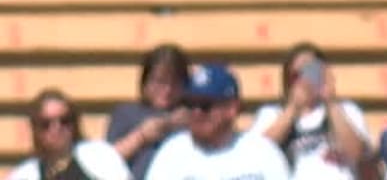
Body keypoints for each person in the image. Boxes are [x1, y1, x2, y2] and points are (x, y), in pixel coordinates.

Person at [144, 63, 290, 180]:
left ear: (232, 108)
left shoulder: (261, 152)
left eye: (205, 106)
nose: (196, 112)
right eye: (190, 104)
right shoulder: (172, 154)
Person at [251, 42, 372, 180]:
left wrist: (331, 103)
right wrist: (293, 108)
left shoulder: (347, 110)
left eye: (311, 71)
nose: (305, 79)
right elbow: (258, 153)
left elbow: (357, 154)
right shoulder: (272, 114)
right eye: (297, 75)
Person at [105, 44, 190, 180]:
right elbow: (107, 162)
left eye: (174, 83)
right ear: (145, 82)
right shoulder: (126, 114)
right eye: (160, 81)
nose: (167, 90)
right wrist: (142, 136)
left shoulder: (198, 115)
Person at [10, 89, 130, 180]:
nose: (56, 128)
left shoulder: (101, 155)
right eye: (46, 124)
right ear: (35, 129)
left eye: (64, 121)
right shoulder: (25, 174)